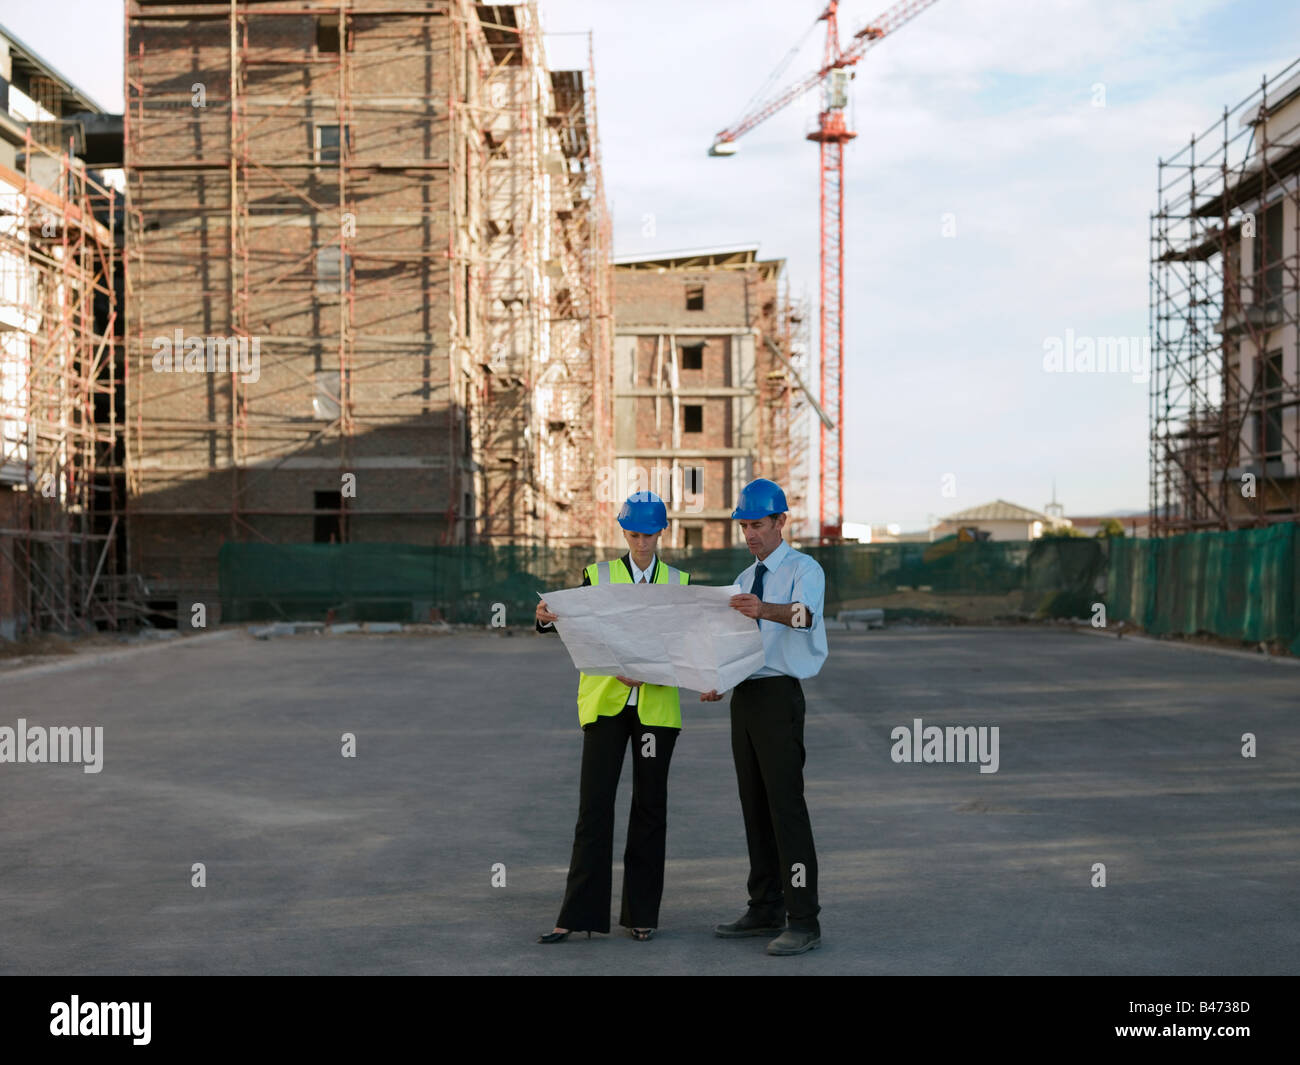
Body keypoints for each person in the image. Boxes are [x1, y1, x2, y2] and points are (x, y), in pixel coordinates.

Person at [534, 490, 690, 943]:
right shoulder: (596, 576)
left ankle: (642, 914)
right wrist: (545, 618)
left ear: (663, 531)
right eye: (634, 533)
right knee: (594, 808)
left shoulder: (680, 584)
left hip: (657, 710)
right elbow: (573, 624)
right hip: (606, 704)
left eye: (649, 533)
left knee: (650, 808)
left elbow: (687, 641)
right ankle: (577, 914)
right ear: (623, 531)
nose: (642, 542)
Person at [700, 478, 828, 956]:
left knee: (786, 808)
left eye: (757, 524)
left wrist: (763, 608)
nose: (750, 534)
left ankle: (804, 919)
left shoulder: (803, 569)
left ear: (780, 522)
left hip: (779, 698)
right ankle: (765, 905)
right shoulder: (742, 578)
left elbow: (804, 618)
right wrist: (718, 679)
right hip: (747, 698)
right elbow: (736, 644)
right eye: (744, 526)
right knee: (753, 806)